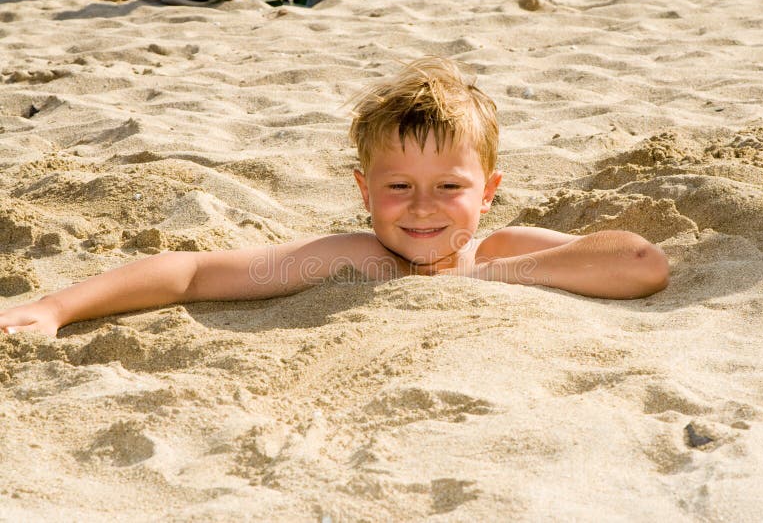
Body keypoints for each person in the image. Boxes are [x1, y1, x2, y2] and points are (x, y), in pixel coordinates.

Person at [0, 56, 669, 338]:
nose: (424, 208)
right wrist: (57, 307)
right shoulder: (353, 258)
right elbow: (192, 273)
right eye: (399, 187)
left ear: (489, 192)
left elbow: (640, 264)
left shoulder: (499, 249)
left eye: (450, 188)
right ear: (365, 192)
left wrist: (482, 279)